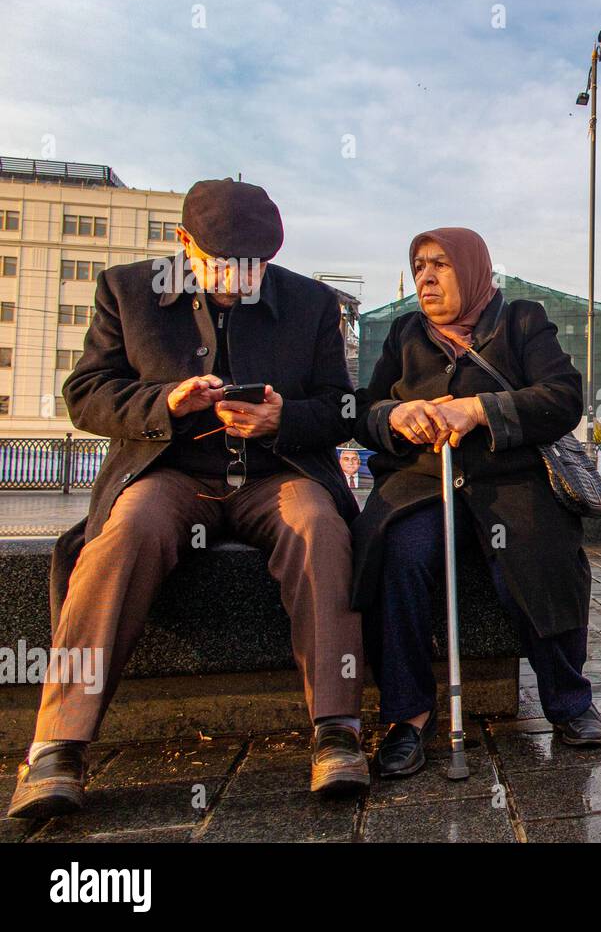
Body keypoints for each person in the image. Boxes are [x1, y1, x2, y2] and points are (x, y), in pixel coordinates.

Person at [7, 178, 368, 820]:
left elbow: (343, 408)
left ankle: (337, 728)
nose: (244, 278)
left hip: (273, 472)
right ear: (183, 245)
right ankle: (58, 745)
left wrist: (284, 420)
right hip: (170, 474)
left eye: (258, 264)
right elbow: (85, 393)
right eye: (226, 264)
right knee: (125, 534)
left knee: (319, 525)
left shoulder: (313, 304)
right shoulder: (127, 290)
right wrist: (164, 405)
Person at [352, 226, 601, 780]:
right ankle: (408, 718)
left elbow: (562, 397)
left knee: (539, 551)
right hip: (422, 484)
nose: (426, 277)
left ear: (471, 269)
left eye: (439, 264)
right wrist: (395, 417)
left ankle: (568, 698)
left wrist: (481, 409)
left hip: (509, 481)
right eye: (418, 266)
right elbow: (364, 412)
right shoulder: (403, 334)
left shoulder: (521, 322)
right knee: (398, 555)